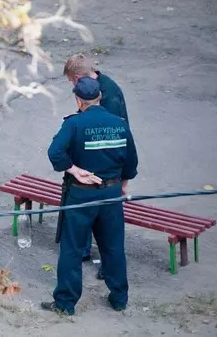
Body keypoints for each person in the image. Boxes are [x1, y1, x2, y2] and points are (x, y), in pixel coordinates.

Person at [41, 76, 138, 315]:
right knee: (113, 246)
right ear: (100, 97)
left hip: (81, 195)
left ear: (78, 99)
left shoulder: (74, 124)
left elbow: (55, 152)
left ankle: (65, 303)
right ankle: (119, 298)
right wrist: (122, 185)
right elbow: (131, 161)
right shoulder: (120, 123)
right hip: (112, 194)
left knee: (72, 248)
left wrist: (74, 170)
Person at [63, 53, 130, 279]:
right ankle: (85, 249)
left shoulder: (108, 96)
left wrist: (121, 180)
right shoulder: (98, 87)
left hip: (101, 168)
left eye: (72, 82)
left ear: (79, 77)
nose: (73, 87)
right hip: (96, 164)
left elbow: (111, 137)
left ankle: (106, 264)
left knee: (105, 228)